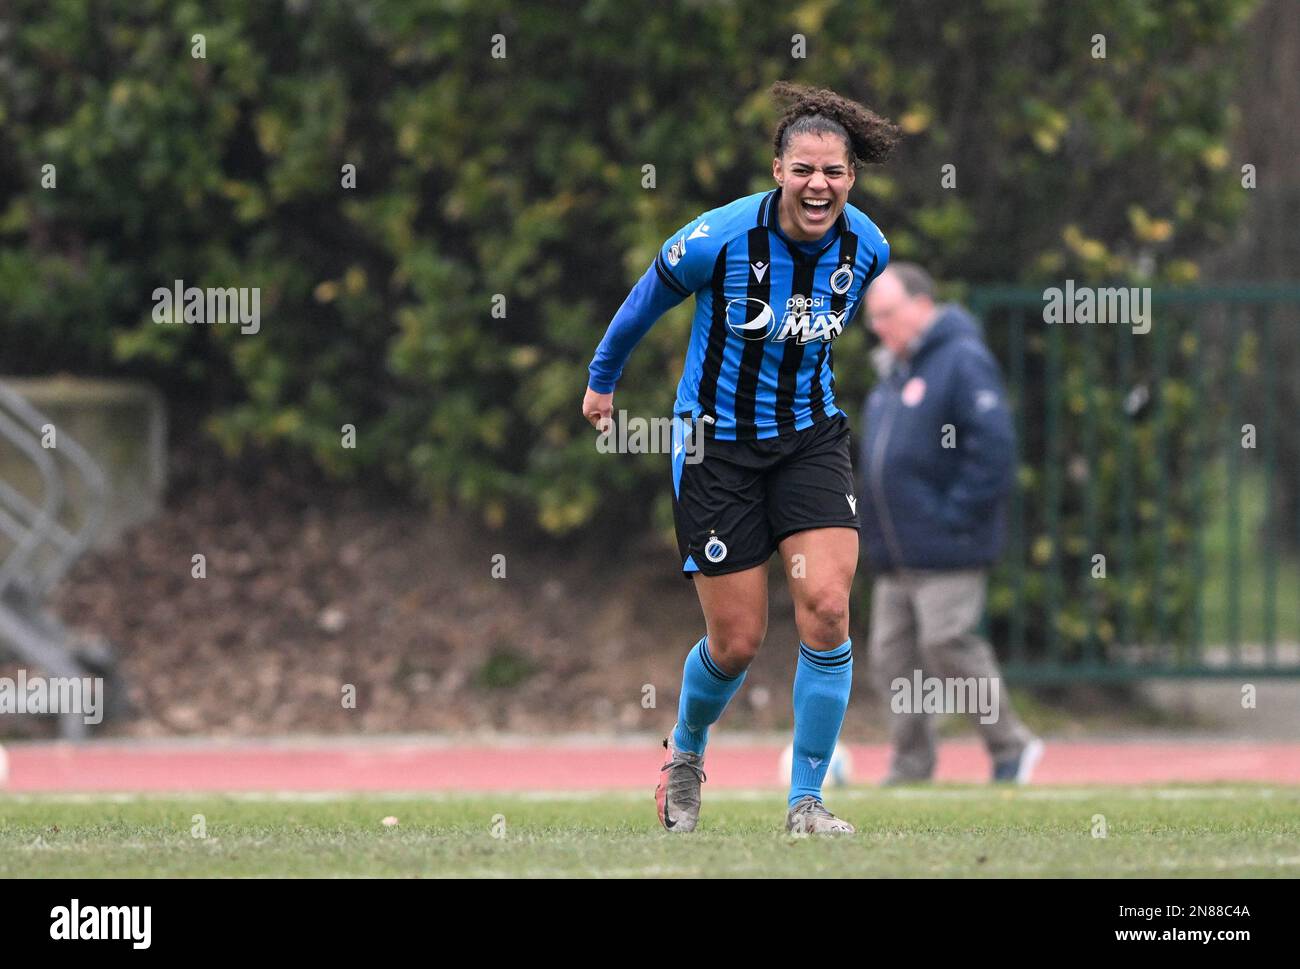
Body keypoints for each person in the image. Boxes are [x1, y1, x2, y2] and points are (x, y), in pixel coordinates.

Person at [582, 82, 897, 834]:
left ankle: (807, 802)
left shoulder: (869, 250)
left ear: (851, 178)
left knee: (826, 607)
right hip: (715, 447)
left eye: (834, 172)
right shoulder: (718, 238)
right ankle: (686, 752)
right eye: (804, 170)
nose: (819, 185)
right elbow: (642, 303)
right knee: (737, 641)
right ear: (778, 170)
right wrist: (602, 381)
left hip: (810, 438)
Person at [858, 262, 1044, 784]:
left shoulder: (962, 360)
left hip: (948, 547)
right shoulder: (894, 372)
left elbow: (994, 450)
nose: (880, 328)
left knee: (947, 643)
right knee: (892, 659)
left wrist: (954, 516)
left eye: (887, 315)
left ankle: (1010, 744)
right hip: (896, 553)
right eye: (873, 319)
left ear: (921, 306)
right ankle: (912, 764)